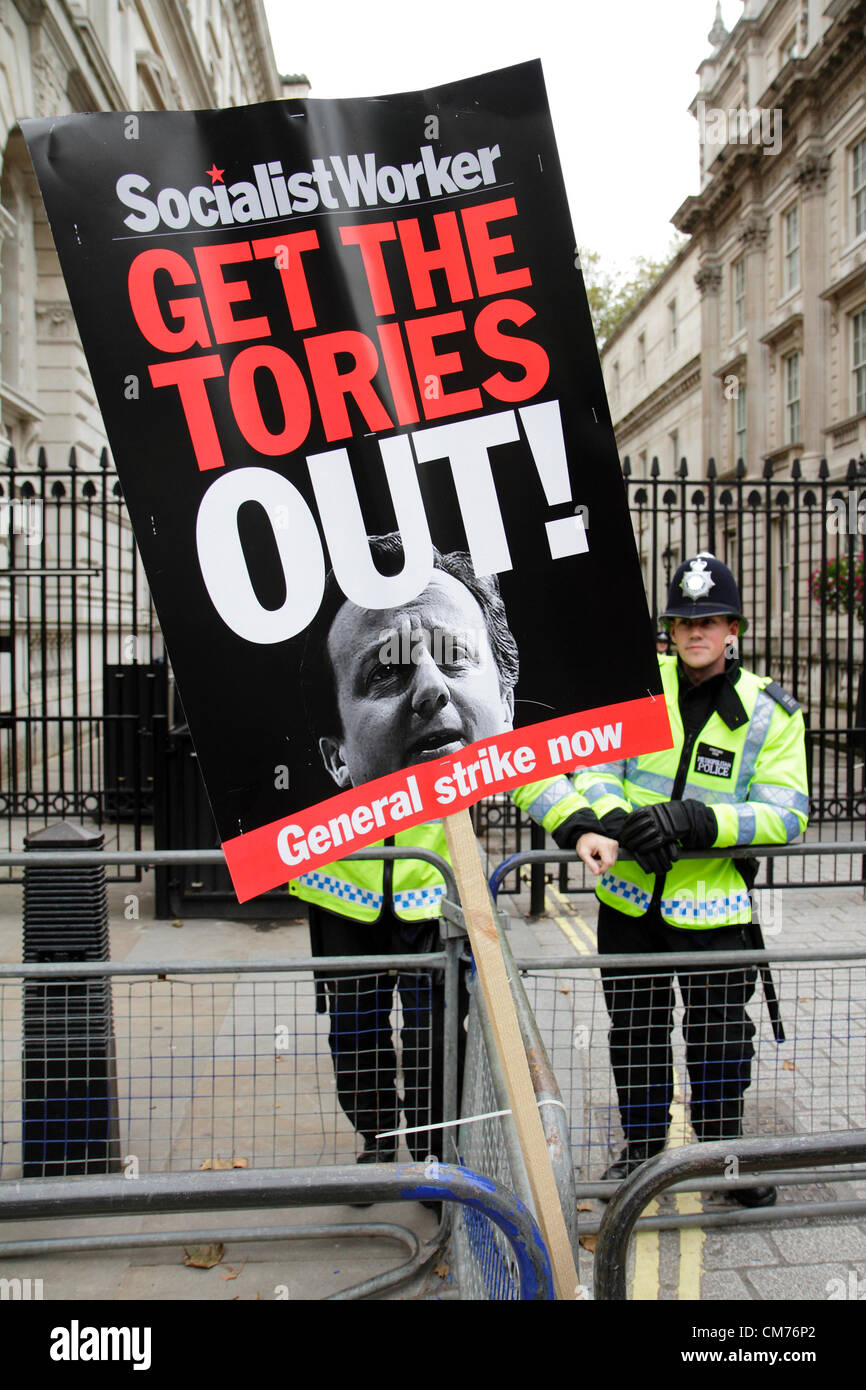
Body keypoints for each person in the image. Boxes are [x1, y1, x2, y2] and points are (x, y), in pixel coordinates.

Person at [524, 553, 809, 1205]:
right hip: (629, 904)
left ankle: (718, 1157)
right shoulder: (636, 684)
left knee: (721, 1045)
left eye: (710, 620)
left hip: (717, 914)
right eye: (685, 622)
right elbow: (596, 767)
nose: (696, 633)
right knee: (638, 1037)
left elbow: (787, 813)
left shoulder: (770, 711)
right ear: (671, 631)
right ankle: (643, 1156)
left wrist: (692, 821)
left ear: (733, 627)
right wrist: (620, 818)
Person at [290, 533, 573, 1168]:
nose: (430, 690)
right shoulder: (339, 737)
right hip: (340, 900)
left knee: (434, 1036)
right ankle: (377, 1140)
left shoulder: (472, 726)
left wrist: (579, 822)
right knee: (355, 1035)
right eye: (385, 670)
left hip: (435, 904)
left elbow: (524, 766)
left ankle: (433, 1147)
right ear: (334, 754)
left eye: (451, 656)